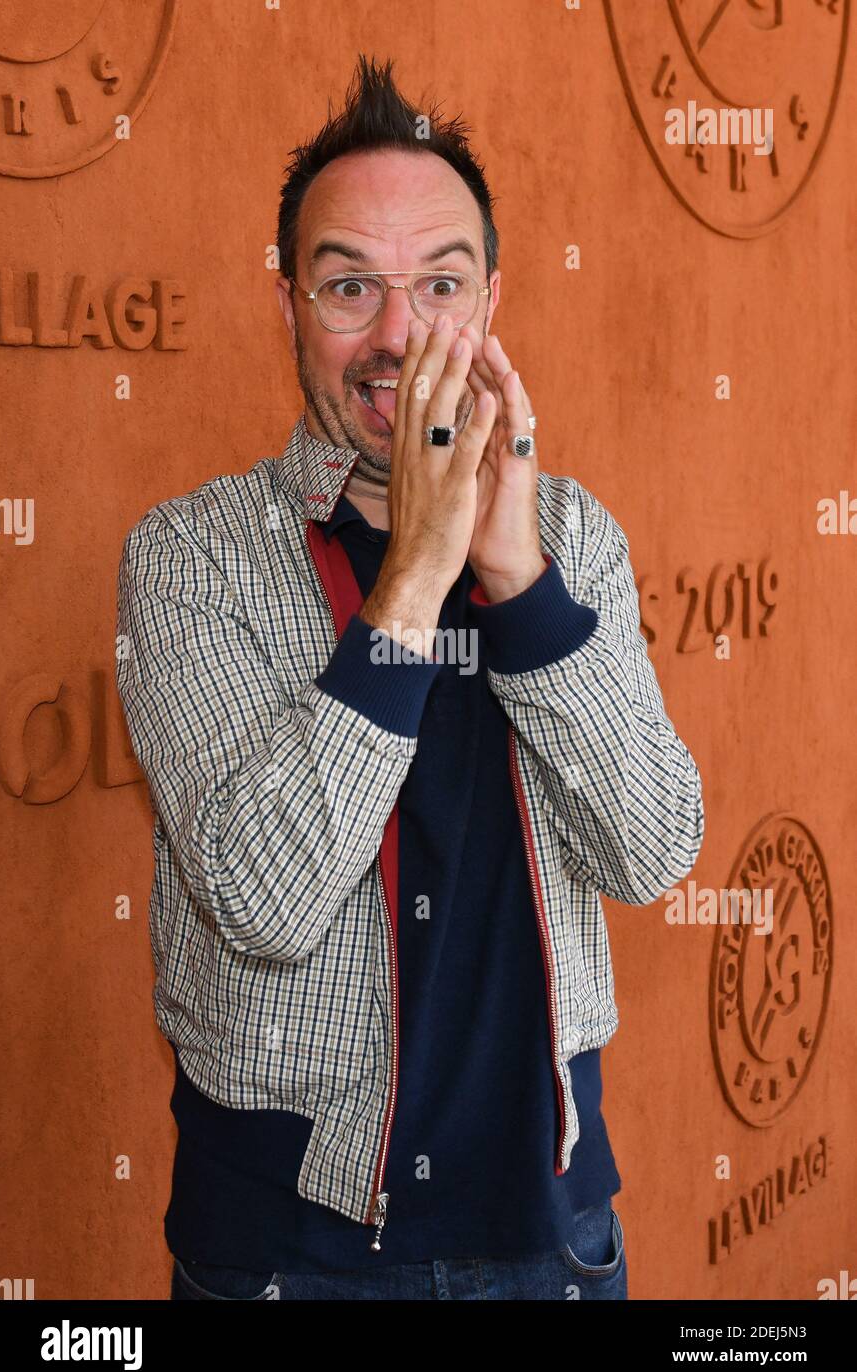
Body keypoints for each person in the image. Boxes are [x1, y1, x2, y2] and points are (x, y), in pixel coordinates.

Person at [116, 55, 704, 1301]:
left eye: (437, 284)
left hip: (551, 1236)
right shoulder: (186, 558)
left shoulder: (573, 537)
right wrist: (414, 579)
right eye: (348, 287)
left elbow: (652, 850)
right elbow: (261, 898)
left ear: (489, 303)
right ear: (287, 306)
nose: (397, 336)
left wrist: (518, 578)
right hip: (287, 1251)